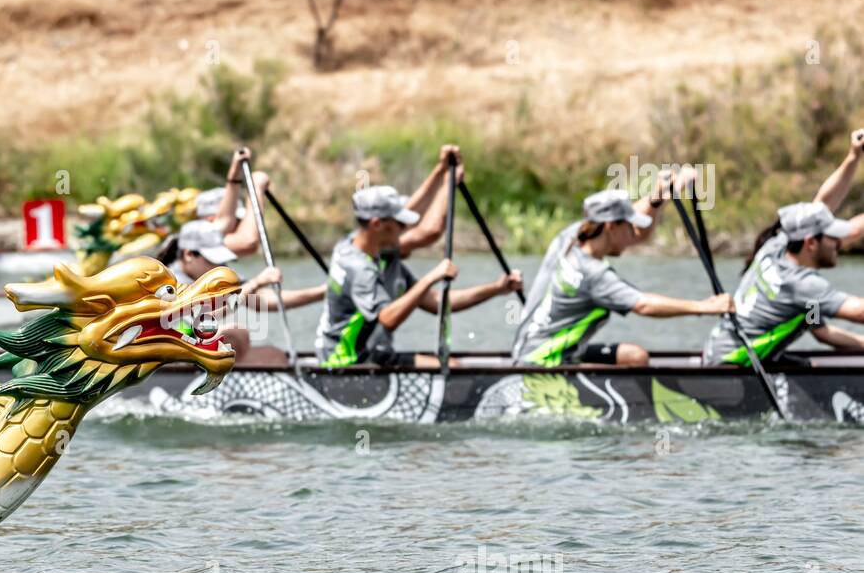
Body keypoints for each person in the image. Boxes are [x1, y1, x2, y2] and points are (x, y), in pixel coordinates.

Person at [512, 181, 733, 367]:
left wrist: (657, 196)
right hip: (543, 362)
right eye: (629, 227)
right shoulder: (594, 274)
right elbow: (644, 305)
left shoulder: (569, 238)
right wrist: (706, 307)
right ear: (611, 227)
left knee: (635, 356)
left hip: (529, 346)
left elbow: (631, 220)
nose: (633, 235)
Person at [317, 185, 523, 369]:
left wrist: (496, 289)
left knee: (454, 366)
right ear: (377, 224)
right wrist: (430, 278)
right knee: (456, 370)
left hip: (372, 353)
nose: (405, 229)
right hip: (349, 363)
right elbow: (388, 318)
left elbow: (436, 302)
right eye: (400, 223)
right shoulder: (360, 269)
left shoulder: (359, 247)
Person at [703, 132, 864, 364]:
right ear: (810, 243)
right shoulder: (806, 287)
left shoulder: (776, 246)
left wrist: (853, 156)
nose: (839, 243)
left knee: (811, 369)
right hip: (733, 373)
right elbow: (859, 312)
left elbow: (822, 334)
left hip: (723, 355)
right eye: (833, 238)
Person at [170, 219, 325, 356]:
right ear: (189, 255)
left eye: (222, 261)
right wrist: (256, 282)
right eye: (213, 260)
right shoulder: (168, 284)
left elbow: (261, 299)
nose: (220, 268)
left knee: (272, 355)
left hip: (193, 353)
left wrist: (321, 293)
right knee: (235, 335)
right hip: (170, 358)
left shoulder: (211, 278)